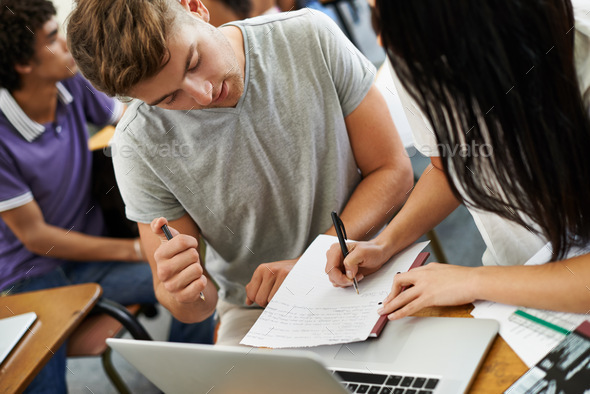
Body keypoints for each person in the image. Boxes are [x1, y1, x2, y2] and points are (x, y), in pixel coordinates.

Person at [66, 0, 413, 345]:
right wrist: (183, 293)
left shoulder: (307, 36)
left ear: (195, 7)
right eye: (170, 98)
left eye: (194, 62)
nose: (202, 95)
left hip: (364, 262)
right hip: (257, 307)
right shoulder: (139, 144)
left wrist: (309, 265)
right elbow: (196, 310)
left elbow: (392, 171)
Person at [326, 0, 590, 318]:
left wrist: (472, 280)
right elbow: (449, 168)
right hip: (512, 287)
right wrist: (385, 244)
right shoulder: (413, 47)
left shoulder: (579, 52)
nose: (381, 40)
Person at [0, 1, 214, 392]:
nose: (67, 44)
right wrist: (136, 251)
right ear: (23, 65)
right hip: (29, 276)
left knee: (194, 278)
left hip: (93, 257)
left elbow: (139, 122)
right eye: (52, 38)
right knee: (33, 378)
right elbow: (38, 239)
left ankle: (193, 382)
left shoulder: (69, 81)